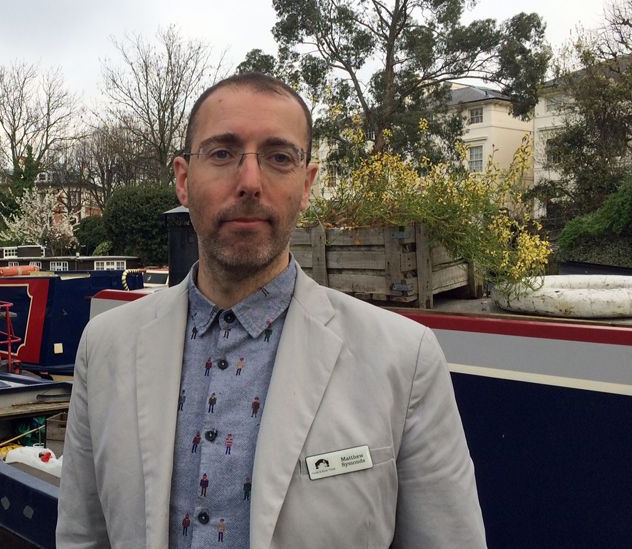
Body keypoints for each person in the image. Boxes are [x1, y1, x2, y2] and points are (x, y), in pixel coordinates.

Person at [57, 72, 485, 548]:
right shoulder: (106, 347)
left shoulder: (404, 361)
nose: (250, 182)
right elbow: (82, 535)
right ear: (182, 179)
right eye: (221, 153)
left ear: (306, 185)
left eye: (278, 157)